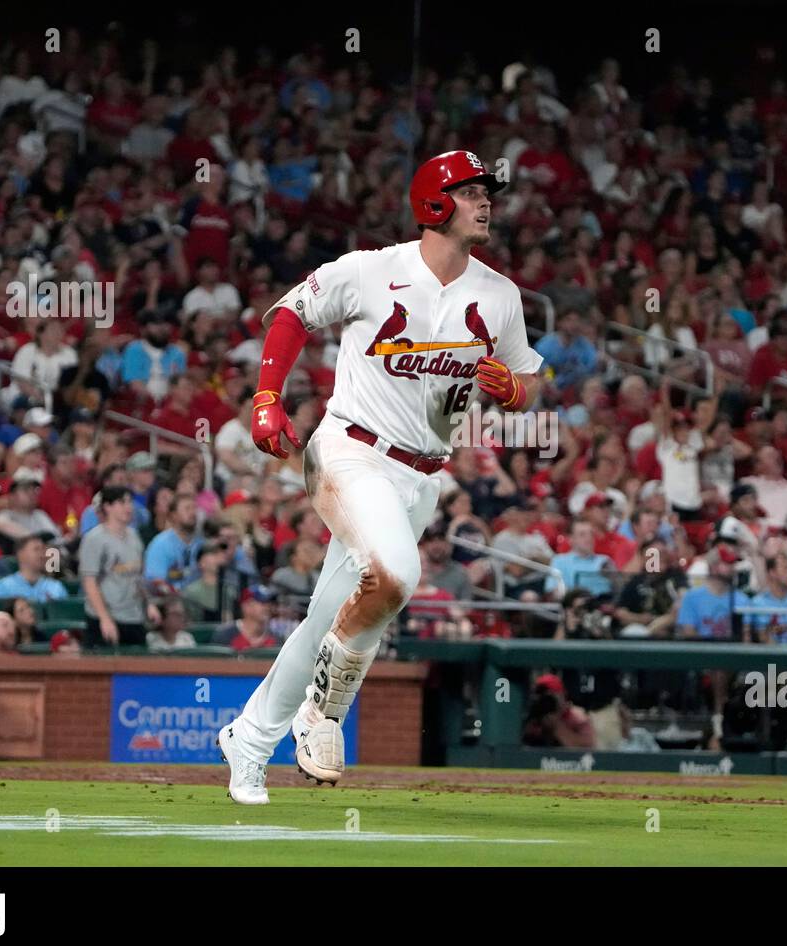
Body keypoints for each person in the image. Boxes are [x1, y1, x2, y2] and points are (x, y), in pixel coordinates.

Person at [218, 150, 545, 799]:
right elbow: (291, 315)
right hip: (350, 452)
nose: (486, 202)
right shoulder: (371, 271)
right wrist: (265, 398)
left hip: (421, 478)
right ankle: (323, 713)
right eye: (472, 191)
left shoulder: (501, 295)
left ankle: (250, 739)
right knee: (396, 575)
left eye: (488, 193)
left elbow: (530, 382)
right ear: (433, 203)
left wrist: (514, 391)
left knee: (326, 622)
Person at [78, 485, 157, 647]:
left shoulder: (134, 536)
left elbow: (138, 577)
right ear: (107, 507)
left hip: (134, 616)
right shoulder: (94, 539)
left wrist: (149, 604)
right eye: (122, 502)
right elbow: (90, 582)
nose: (129, 507)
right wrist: (104, 618)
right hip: (107, 618)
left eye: (130, 502)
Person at [522, 674, 596, 749]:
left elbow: (586, 750)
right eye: (542, 694)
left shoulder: (576, 718)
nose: (547, 700)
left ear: (563, 695)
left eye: (551, 695)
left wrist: (557, 726)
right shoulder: (531, 716)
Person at [0, 535, 70, 603]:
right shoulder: (4, 586)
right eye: (36, 549)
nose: (42, 554)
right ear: (20, 554)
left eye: (43, 549)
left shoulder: (56, 587)